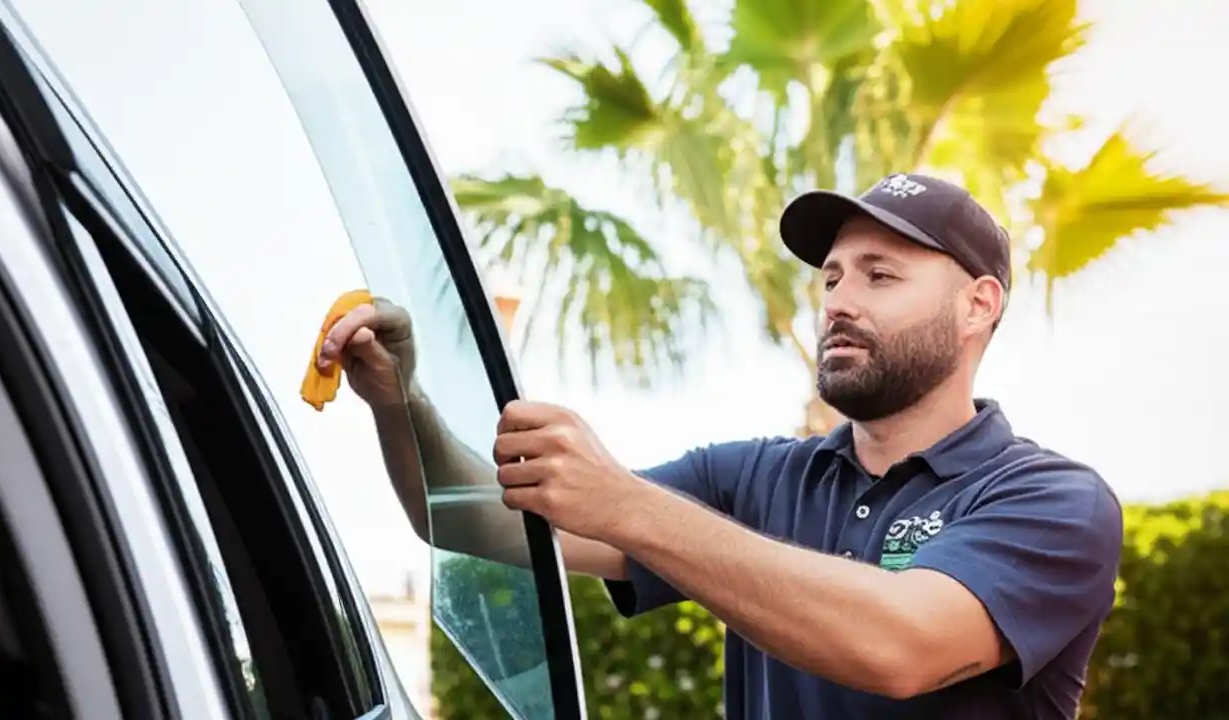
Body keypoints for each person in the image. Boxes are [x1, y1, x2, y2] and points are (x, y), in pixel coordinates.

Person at [317, 172, 1123, 719]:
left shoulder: (1052, 501)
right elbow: (474, 521)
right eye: (832, 278)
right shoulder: (752, 477)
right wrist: (402, 401)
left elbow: (900, 645)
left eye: (881, 277)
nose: (840, 302)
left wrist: (631, 506)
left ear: (980, 304)